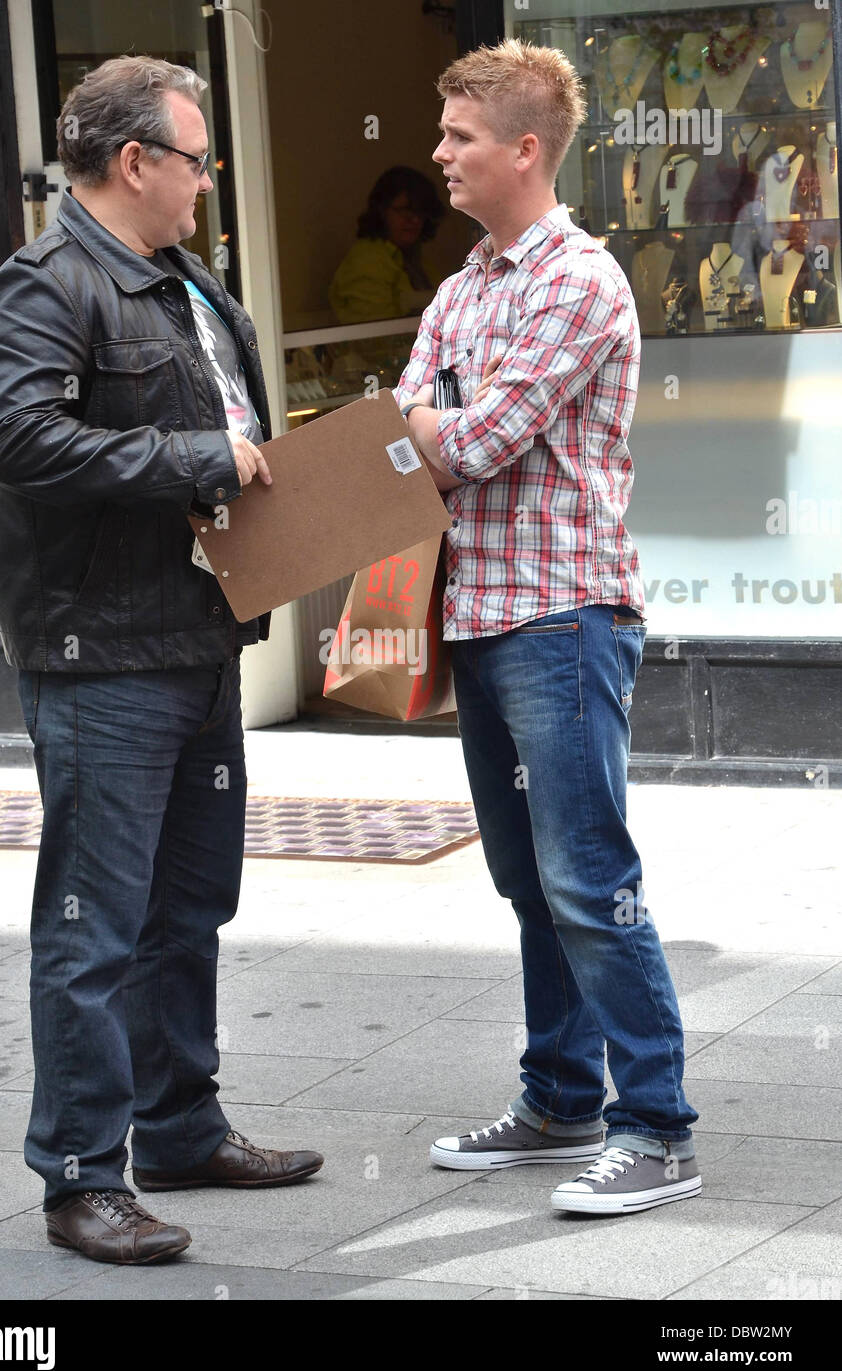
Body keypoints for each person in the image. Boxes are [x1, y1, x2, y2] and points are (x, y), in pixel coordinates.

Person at [0, 55, 323, 1267]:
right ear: (136, 163)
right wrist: (197, 462)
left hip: (197, 637)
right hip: (100, 655)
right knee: (94, 922)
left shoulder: (187, 283)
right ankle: (81, 1174)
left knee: (187, 906)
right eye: (195, 160)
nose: (206, 182)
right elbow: (23, 439)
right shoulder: (45, 284)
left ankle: (178, 1126)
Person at [395, 39, 701, 1216]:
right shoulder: (464, 286)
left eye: (458, 137)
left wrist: (428, 420)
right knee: (527, 878)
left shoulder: (578, 280)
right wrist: (423, 419)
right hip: (479, 612)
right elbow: (400, 416)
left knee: (587, 875)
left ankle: (658, 1128)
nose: (436, 154)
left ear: (524, 149)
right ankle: (560, 1099)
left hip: (562, 617)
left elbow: (469, 440)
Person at [329, 166, 445, 324]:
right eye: (405, 210)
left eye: (420, 212)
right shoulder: (367, 260)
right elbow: (375, 334)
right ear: (382, 211)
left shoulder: (419, 262)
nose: (415, 220)